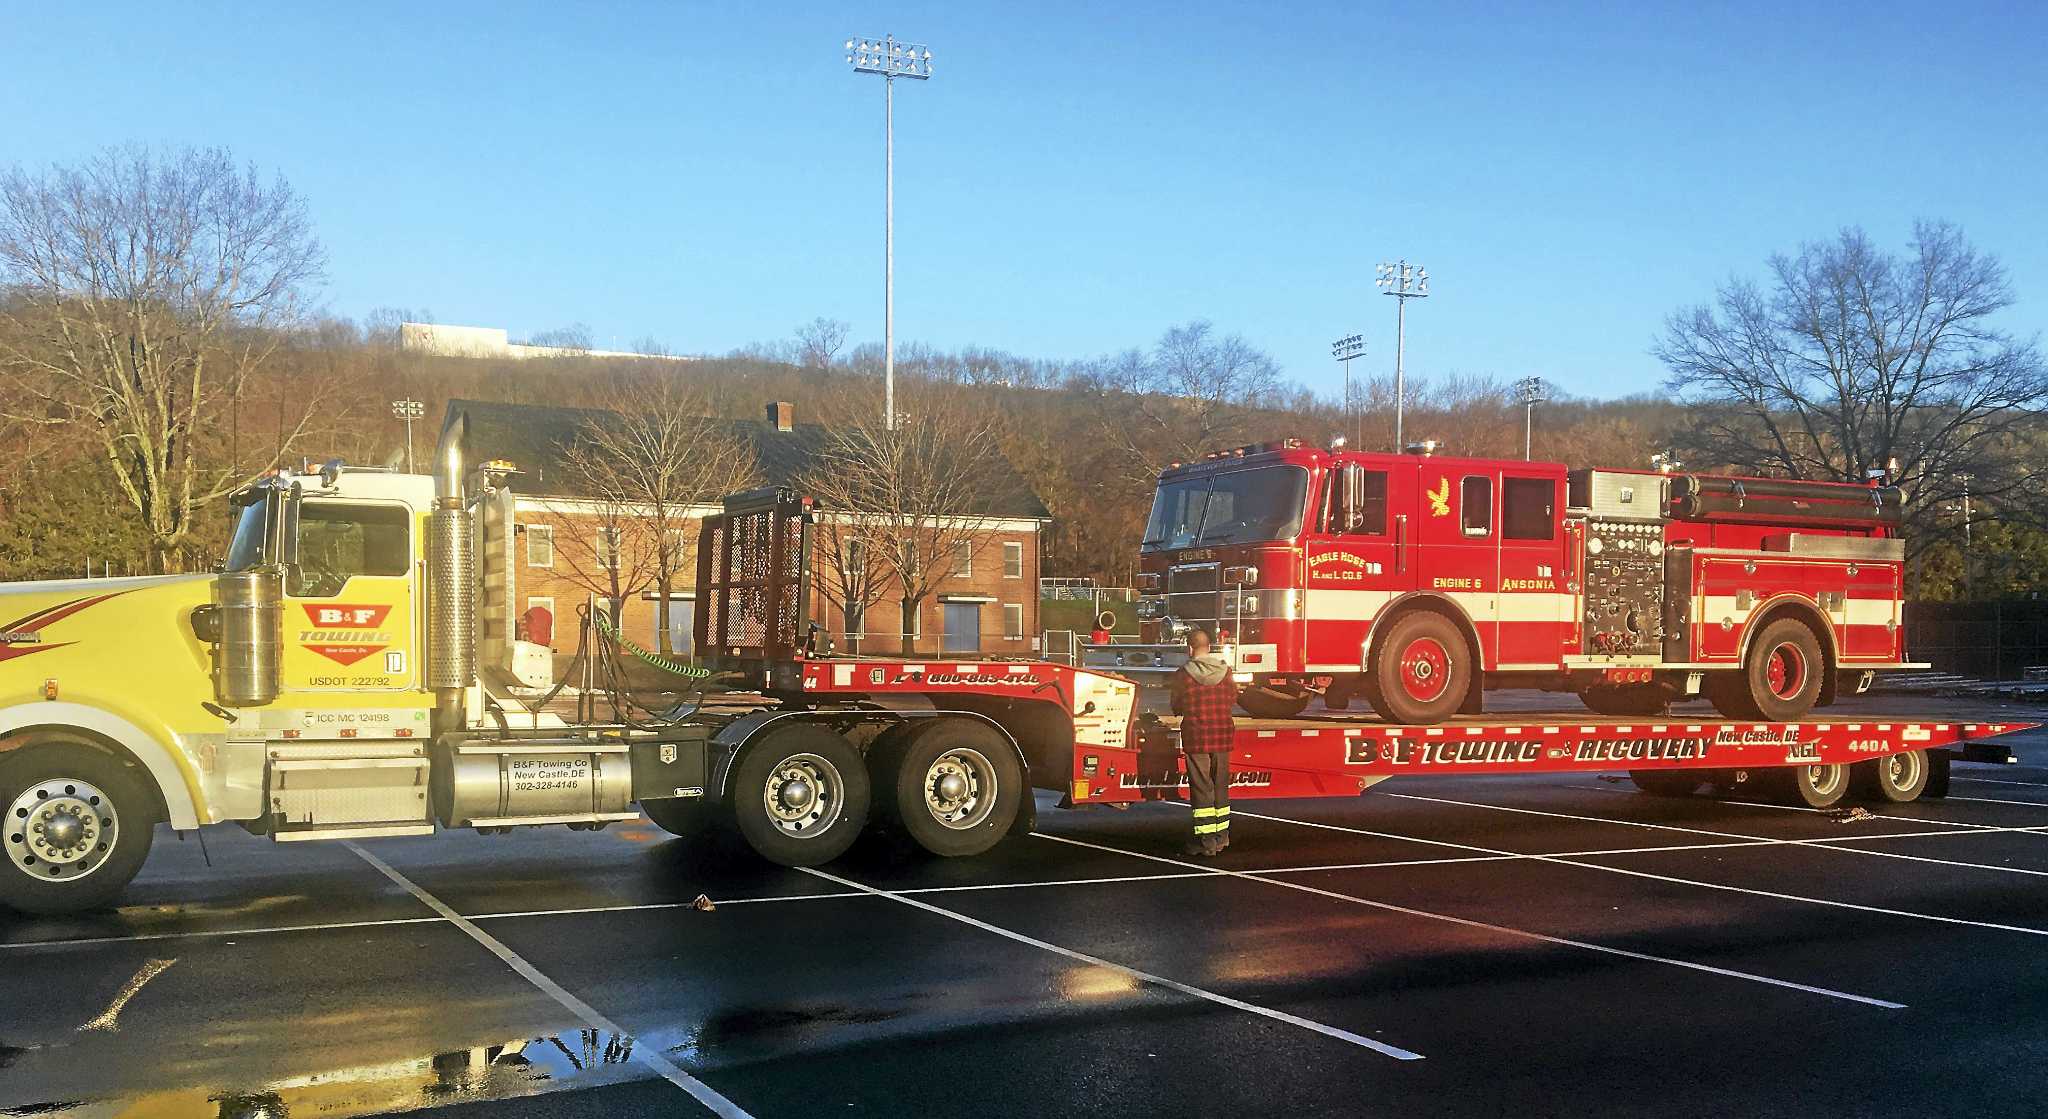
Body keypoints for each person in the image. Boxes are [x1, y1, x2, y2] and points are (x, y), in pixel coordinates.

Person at [1169, 628, 1236, 856]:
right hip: (1223, 734)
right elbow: (1233, 697)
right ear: (1209, 647)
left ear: (1190, 648)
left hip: (1197, 737)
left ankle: (1206, 842)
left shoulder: (1183, 674)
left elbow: (1176, 704)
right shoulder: (1225, 671)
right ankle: (1222, 837)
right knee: (1220, 786)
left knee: (1202, 788)